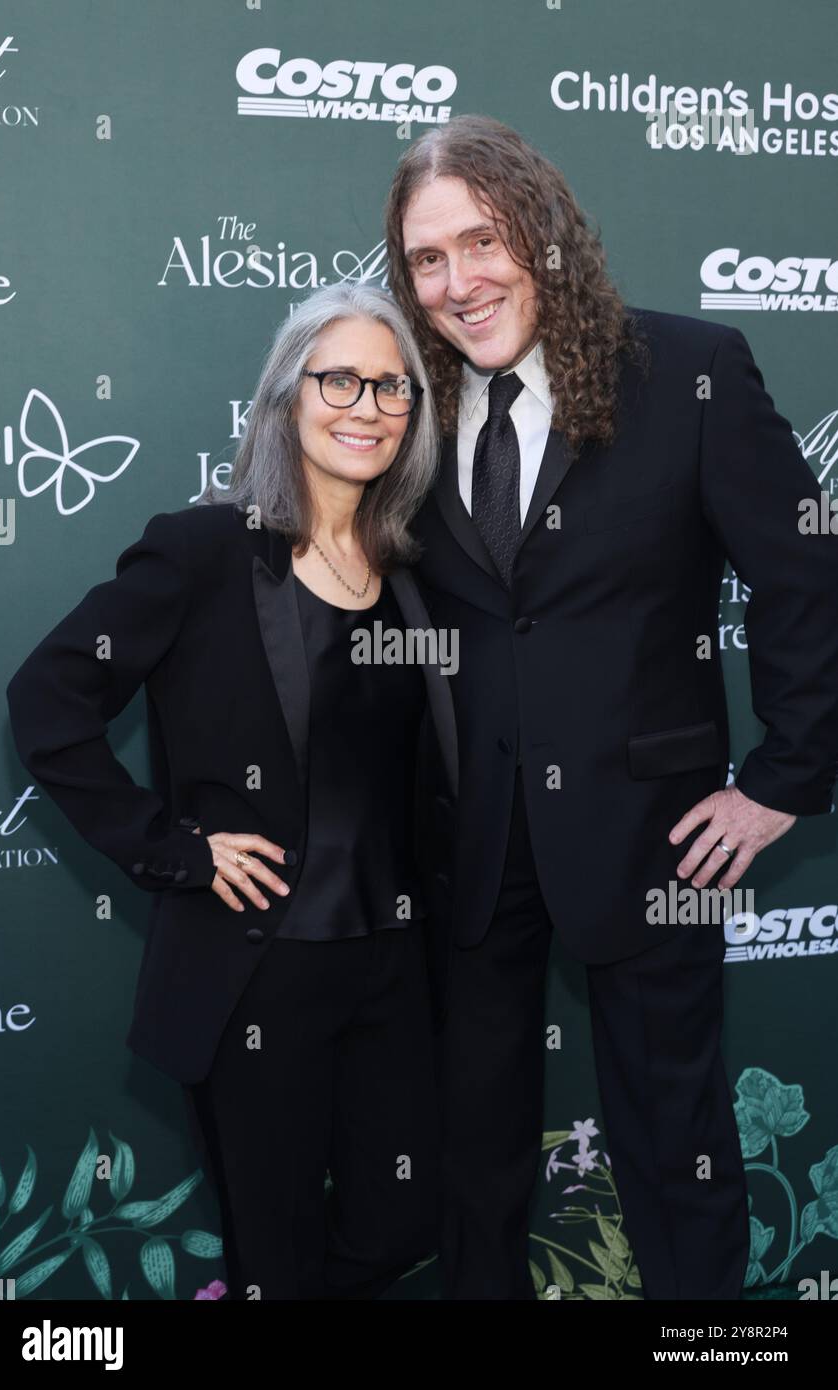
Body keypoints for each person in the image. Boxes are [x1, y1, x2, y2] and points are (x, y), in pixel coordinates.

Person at [382, 113, 838, 1300]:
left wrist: (784, 777)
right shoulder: (404, 405)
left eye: (480, 242)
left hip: (652, 834)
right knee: (471, 1158)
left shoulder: (686, 371)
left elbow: (803, 574)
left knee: (672, 1142)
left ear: (542, 232)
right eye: (426, 258)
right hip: (469, 841)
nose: (457, 283)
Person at [5, 282, 458, 1301]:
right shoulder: (204, 551)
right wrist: (175, 846)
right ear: (286, 398)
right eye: (337, 378)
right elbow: (47, 699)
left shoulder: (414, 572)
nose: (367, 404)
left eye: (392, 387)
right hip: (256, 972)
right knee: (275, 1248)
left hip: (392, 967)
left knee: (407, 1215)